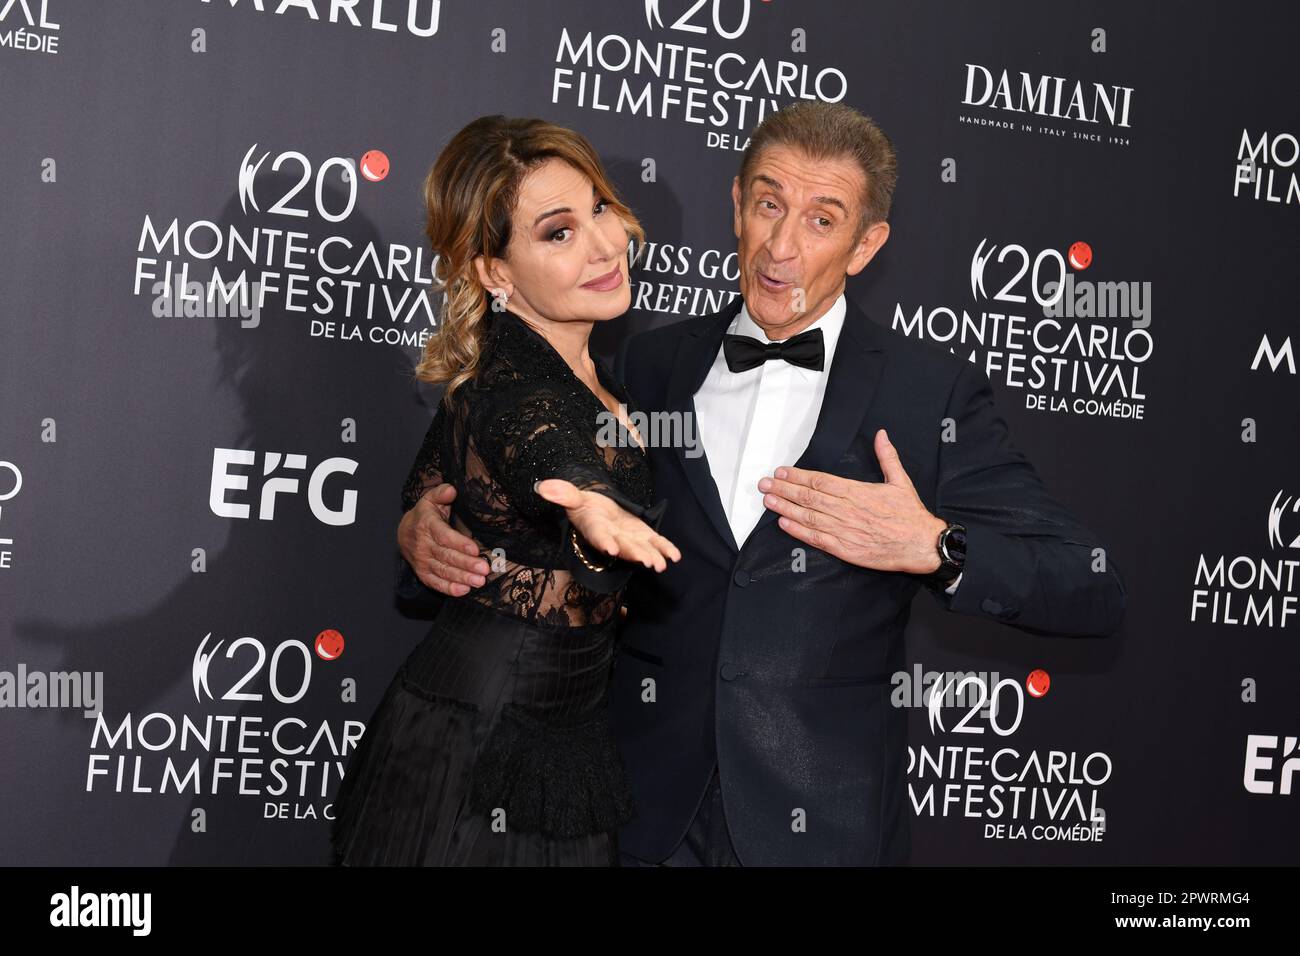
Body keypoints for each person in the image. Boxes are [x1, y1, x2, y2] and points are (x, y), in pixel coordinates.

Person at [400, 101, 1127, 866]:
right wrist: (424, 530)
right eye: (769, 204)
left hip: (821, 828)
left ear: (866, 244)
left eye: (822, 219)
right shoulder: (645, 369)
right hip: (634, 815)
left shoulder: (929, 398)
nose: (781, 246)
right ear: (737, 203)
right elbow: (523, 494)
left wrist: (936, 546)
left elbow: (1091, 586)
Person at [329, 115, 680, 867]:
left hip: (565, 726)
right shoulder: (512, 382)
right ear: (495, 272)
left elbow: (441, 483)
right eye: (557, 233)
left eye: (598, 209)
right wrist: (587, 501)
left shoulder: (597, 377)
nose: (604, 243)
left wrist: (414, 524)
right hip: (479, 734)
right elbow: (536, 440)